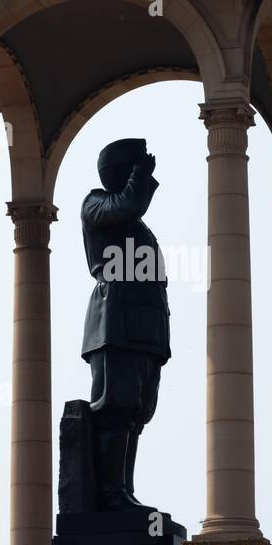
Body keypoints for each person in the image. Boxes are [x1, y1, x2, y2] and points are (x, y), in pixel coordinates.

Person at [80, 139, 170, 510]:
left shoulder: (136, 224)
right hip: (114, 323)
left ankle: (123, 491)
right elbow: (128, 203)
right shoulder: (96, 203)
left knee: (136, 413)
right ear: (122, 171)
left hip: (146, 328)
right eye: (137, 166)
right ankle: (109, 493)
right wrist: (140, 179)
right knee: (115, 408)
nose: (146, 171)